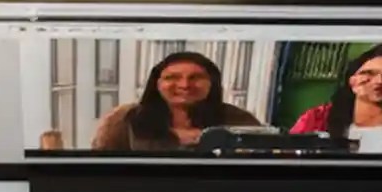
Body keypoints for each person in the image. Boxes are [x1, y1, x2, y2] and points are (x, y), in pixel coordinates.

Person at [91, 51, 262, 151]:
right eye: (172, 77)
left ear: (213, 83)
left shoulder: (241, 120)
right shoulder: (123, 119)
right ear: (156, 84)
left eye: (196, 77)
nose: (184, 85)